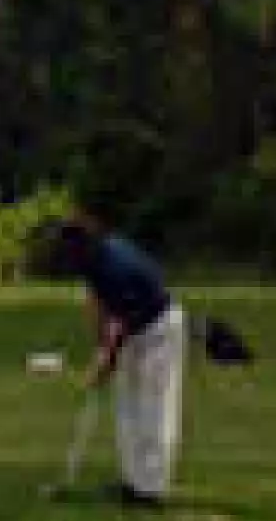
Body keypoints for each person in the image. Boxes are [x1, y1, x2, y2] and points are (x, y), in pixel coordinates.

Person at [55, 214, 187, 506]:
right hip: (133, 327)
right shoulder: (90, 260)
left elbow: (121, 323)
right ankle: (132, 481)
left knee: (154, 407)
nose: (67, 258)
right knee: (126, 404)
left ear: (84, 245)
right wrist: (99, 347)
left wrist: (106, 362)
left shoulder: (117, 266)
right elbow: (97, 304)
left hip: (159, 330)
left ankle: (152, 490)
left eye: (69, 251)